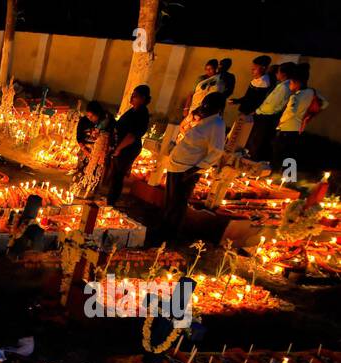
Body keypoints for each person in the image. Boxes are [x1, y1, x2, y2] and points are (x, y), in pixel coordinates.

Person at [160, 93, 226, 241]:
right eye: (204, 104)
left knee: (177, 203)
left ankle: (170, 236)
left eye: (208, 106)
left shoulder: (216, 124)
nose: (204, 108)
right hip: (176, 166)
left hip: (186, 170)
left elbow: (216, 151)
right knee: (170, 201)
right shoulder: (205, 121)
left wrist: (194, 169)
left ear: (218, 108)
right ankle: (164, 230)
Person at [273, 67, 328, 173]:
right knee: (291, 154)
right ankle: (288, 177)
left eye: (290, 83)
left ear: (296, 83)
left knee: (280, 152)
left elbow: (291, 112)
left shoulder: (295, 97)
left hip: (286, 128)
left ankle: (275, 174)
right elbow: (324, 103)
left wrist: (279, 122)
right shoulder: (312, 92)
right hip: (298, 128)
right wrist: (309, 115)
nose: (289, 85)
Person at [105, 85, 151, 207]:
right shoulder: (133, 110)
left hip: (127, 148)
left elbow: (132, 135)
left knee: (118, 176)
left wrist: (119, 149)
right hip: (121, 146)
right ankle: (109, 199)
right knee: (115, 173)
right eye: (132, 94)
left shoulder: (141, 114)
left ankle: (111, 202)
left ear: (143, 98)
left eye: (135, 96)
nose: (132, 97)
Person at [246, 62, 291, 162]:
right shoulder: (282, 85)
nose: (276, 74)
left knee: (257, 142)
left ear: (284, 73)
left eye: (278, 72)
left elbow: (271, 105)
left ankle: (253, 163)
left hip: (266, 117)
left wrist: (257, 111)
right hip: (266, 116)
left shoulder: (284, 87)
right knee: (259, 141)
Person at [228, 56, 272, 154]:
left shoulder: (264, 83)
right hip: (244, 111)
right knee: (235, 134)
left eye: (254, 69)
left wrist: (242, 104)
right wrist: (237, 101)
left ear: (263, 68)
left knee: (242, 136)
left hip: (250, 114)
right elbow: (248, 97)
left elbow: (255, 100)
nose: (252, 71)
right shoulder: (256, 80)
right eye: (252, 69)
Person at [72, 100, 113, 198]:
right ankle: (76, 191)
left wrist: (102, 153)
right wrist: (85, 150)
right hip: (85, 151)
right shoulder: (84, 121)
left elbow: (109, 139)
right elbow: (79, 138)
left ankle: (89, 194)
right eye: (88, 116)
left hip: (98, 154)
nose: (89, 118)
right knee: (81, 171)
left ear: (98, 114)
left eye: (92, 116)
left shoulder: (106, 122)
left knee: (94, 174)